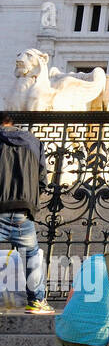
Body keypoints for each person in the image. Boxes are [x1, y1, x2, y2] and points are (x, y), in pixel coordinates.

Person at [0, 112, 53, 314]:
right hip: (23, 210)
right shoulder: (33, 142)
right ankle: (36, 301)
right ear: (14, 124)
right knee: (31, 255)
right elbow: (42, 180)